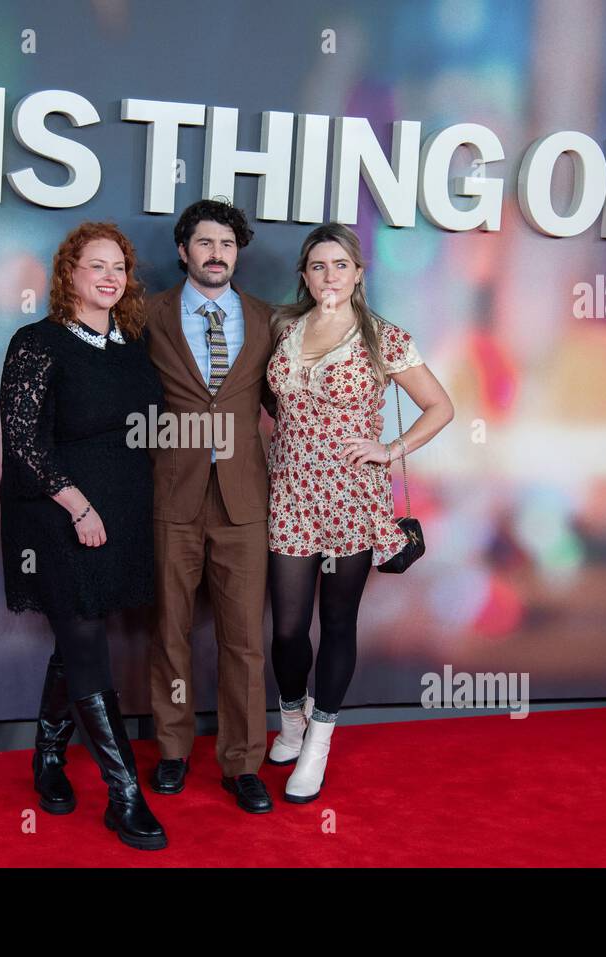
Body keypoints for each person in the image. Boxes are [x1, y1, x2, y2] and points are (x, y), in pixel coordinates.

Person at [264, 222, 454, 802]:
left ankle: (319, 742)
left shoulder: (383, 337)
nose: (330, 275)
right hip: (292, 493)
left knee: (338, 622)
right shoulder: (283, 330)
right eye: (319, 265)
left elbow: (440, 406)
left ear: (357, 274)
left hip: (353, 496)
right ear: (304, 274)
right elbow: (269, 403)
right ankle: (291, 718)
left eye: (340, 265)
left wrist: (389, 449)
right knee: (290, 627)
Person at [0, 222, 168, 850]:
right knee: (87, 643)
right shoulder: (36, 343)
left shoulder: (130, 345)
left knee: (80, 634)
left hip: (120, 512)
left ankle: (47, 756)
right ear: (68, 273)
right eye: (95, 265)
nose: (109, 276)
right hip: (58, 513)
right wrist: (77, 505)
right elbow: (23, 444)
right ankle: (125, 795)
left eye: (119, 267)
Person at [144, 199, 279, 813]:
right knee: (171, 630)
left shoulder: (269, 320)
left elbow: (291, 408)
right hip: (175, 495)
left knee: (245, 640)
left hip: (246, 501)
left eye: (226, 244)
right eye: (204, 243)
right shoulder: (149, 316)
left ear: (237, 252)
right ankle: (172, 752)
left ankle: (242, 761)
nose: (216, 254)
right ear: (184, 251)